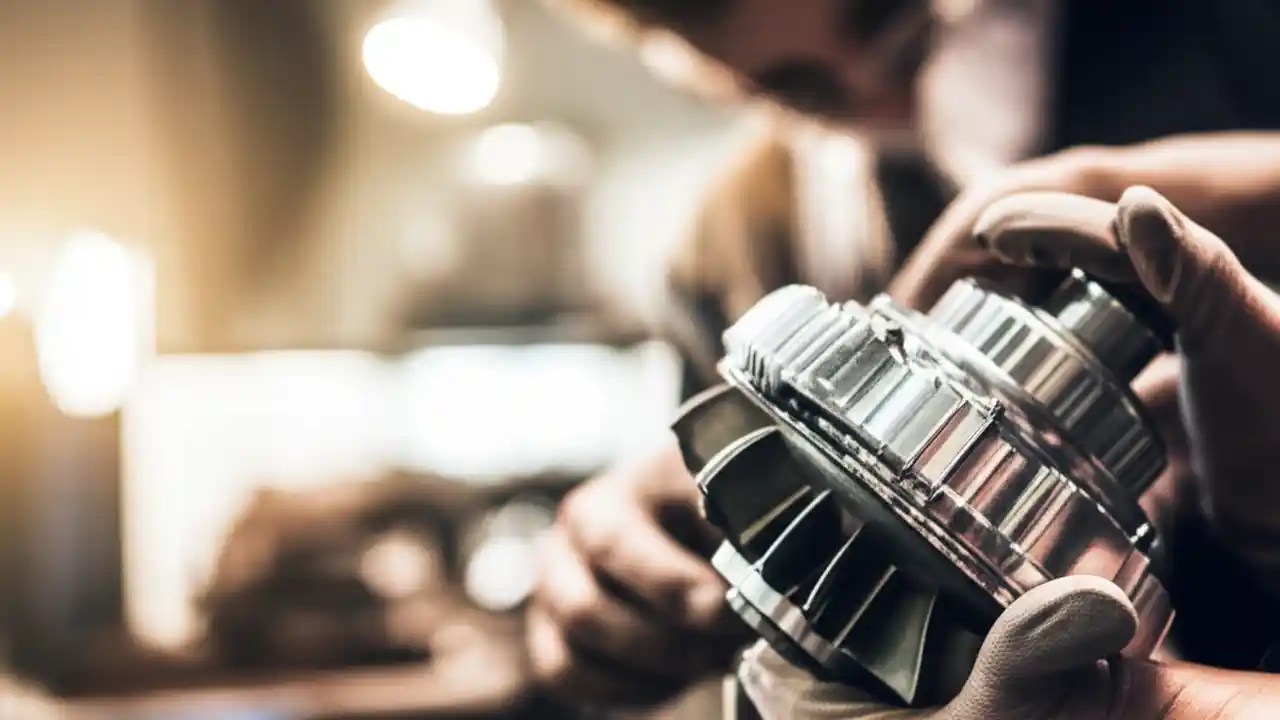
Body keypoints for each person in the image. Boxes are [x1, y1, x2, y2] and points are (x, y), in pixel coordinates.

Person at [531, 0, 1280, 711]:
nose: (879, 93)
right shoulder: (741, 244)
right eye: (801, 89)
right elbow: (709, 525)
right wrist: (620, 573)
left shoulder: (1239, 39)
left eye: (896, 24)